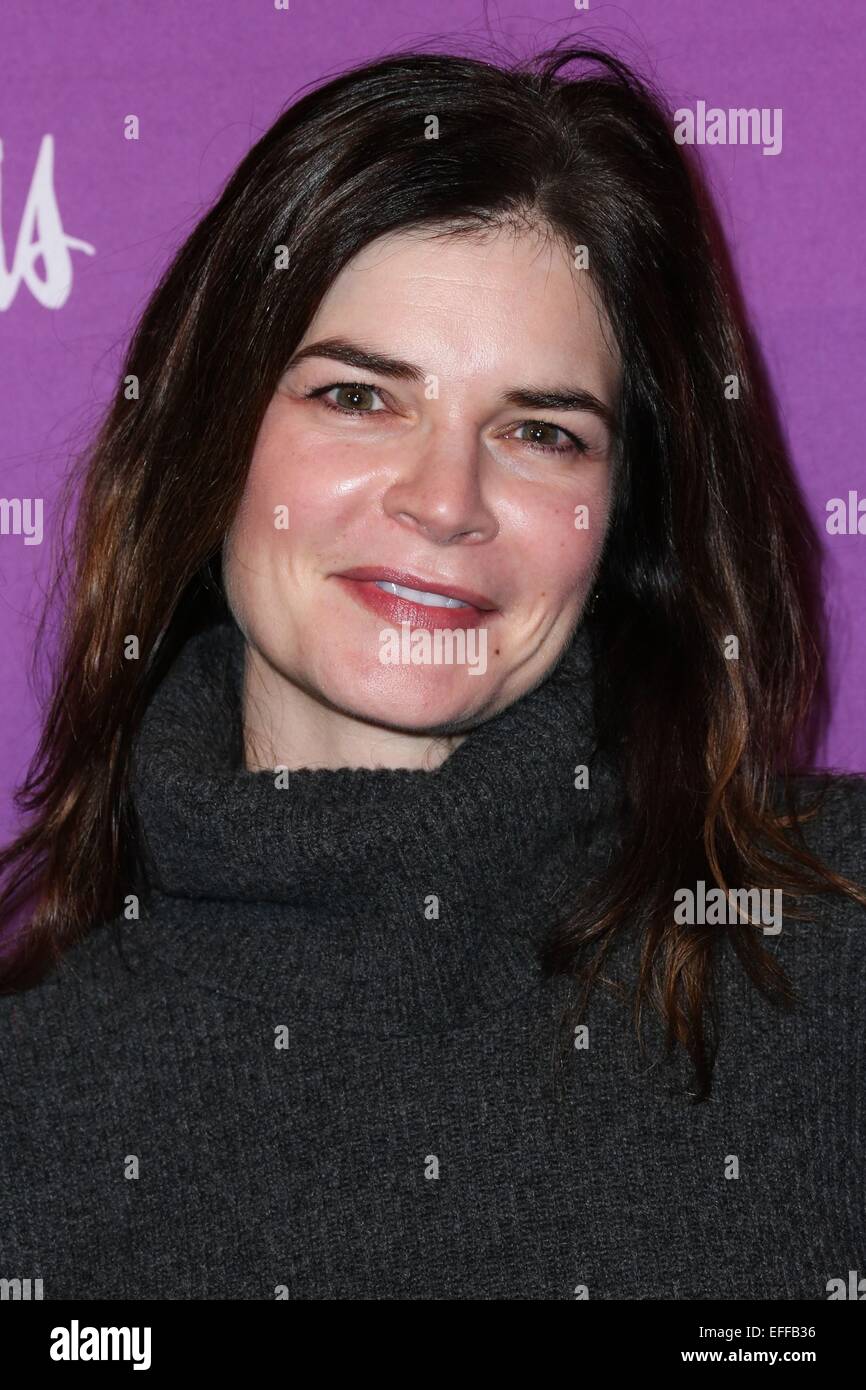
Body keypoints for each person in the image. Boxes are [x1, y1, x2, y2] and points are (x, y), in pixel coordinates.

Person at [0, 40, 863, 1301]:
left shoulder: (831, 949)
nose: (444, 500)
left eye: (538, 431)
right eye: (357, 398)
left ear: (622, 513)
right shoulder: (31, 1099)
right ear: (210, 435)